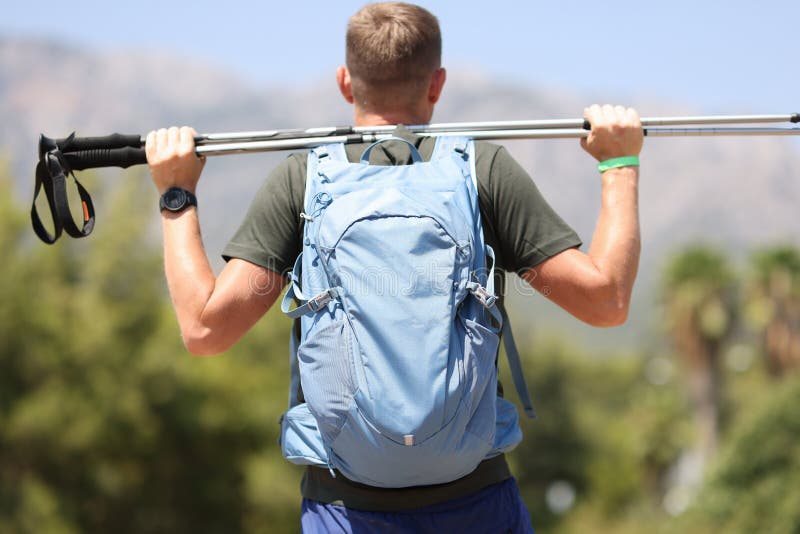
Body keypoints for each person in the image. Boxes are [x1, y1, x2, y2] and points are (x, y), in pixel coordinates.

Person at [145, 2, 643, 532]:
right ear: (438, 83)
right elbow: (605, 301)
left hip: (343, 510)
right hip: (476, 502)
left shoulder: (302, 180)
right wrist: (620, 165)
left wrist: (176, 193)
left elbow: (204, 329)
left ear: (345, 82)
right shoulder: (482, 171)